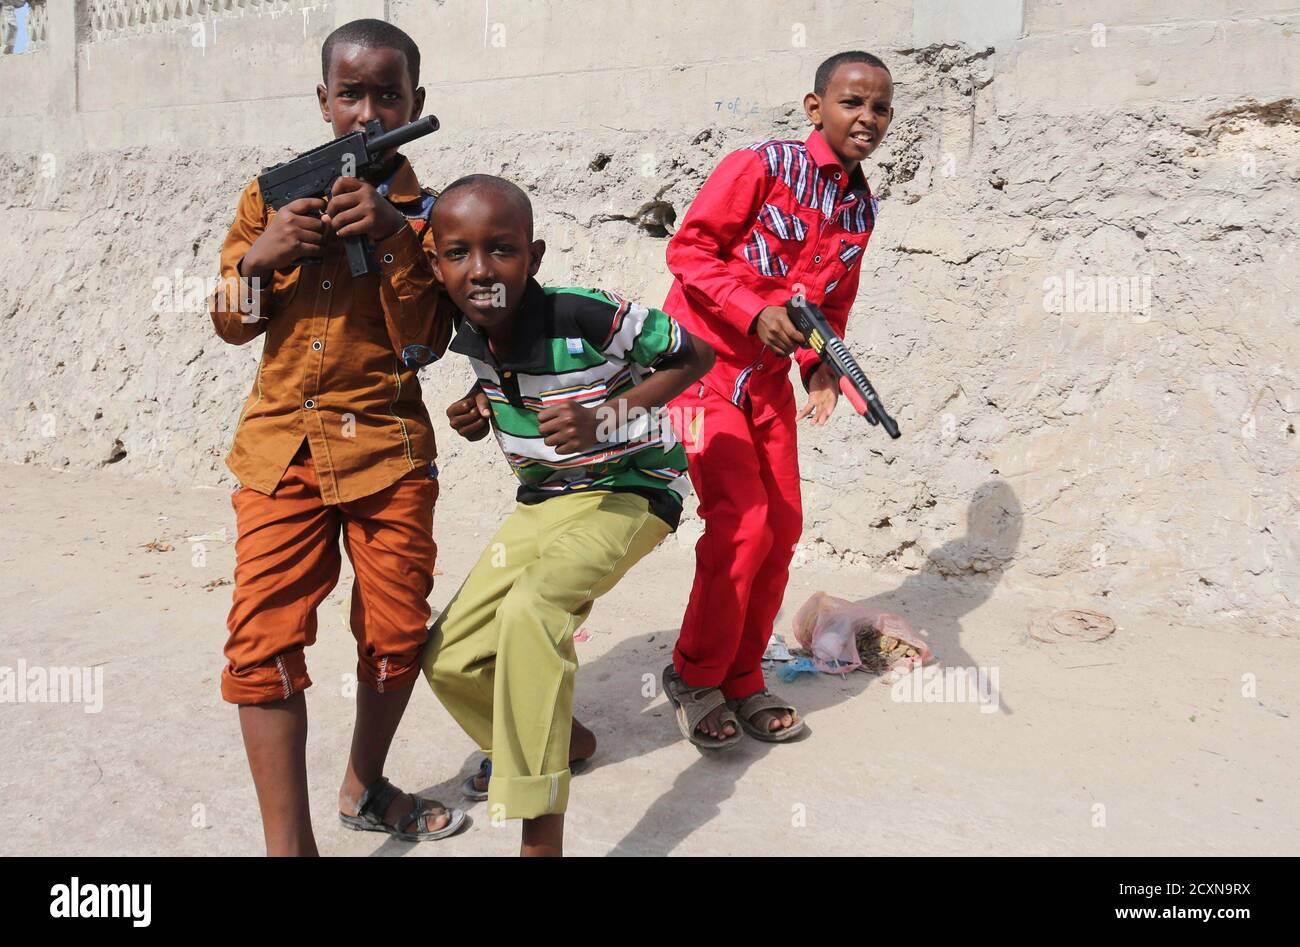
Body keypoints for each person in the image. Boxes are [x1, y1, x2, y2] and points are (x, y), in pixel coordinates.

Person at [208, 19, 463, 855]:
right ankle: (291, 846)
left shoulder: (430, 214)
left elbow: (425, 343)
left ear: (414, 104)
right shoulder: (270, 194)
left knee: (394, 633)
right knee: (261, 644)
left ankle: (365, 781)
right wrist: (261, 259)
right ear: (322, 102)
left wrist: (392, 235)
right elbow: (231, 325)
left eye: (386, 95)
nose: (366, 112)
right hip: (282, 448)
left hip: (388, 450)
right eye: (349, 94)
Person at [420, 174, 714, 856]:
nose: (481, 269)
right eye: (459, 253)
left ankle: (540, 833)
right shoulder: (468, 327)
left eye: (503, 250)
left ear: (535, 256)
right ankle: (567, 741)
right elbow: (514, 375)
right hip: (545, 500)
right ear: (437, 266)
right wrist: (475, 409)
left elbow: (693, 355)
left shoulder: (586, 313)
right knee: (448, 658)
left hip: (633, 489)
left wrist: (605, 416)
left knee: (534, 610)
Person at [660, 51, 894, 749]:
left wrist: (819, 369)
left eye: (881, 108)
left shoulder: (859, 206)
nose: (869, 118)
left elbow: (831, 306)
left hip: (763, 382)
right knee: (743, 521)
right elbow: (690, 251)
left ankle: (739, 676)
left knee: (783, 527)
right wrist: (752, 308)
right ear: (814, 107)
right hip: (699, 365)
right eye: (853, 102)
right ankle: (694, 675)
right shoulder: (759, 165)